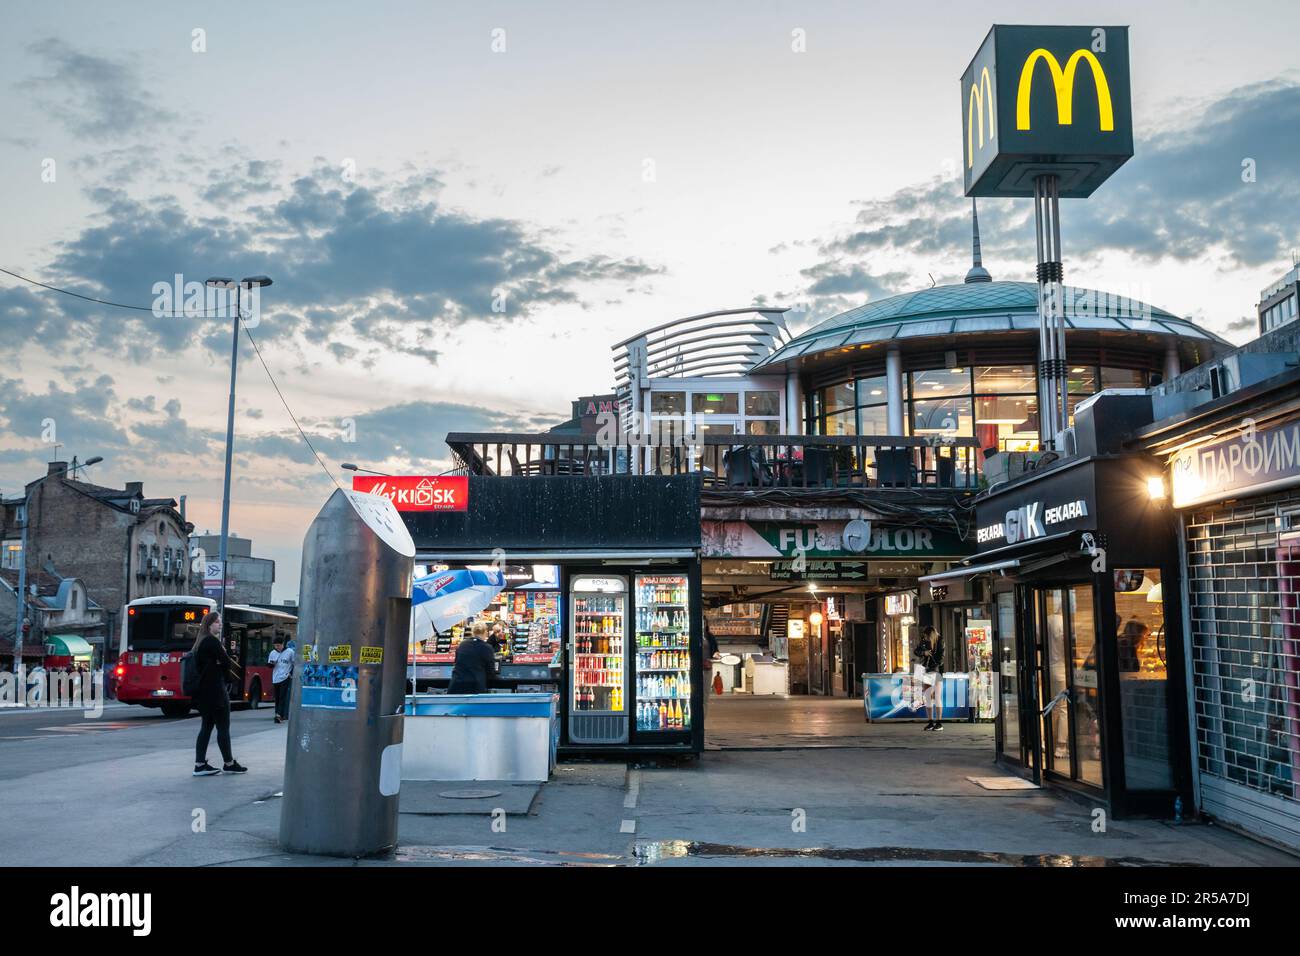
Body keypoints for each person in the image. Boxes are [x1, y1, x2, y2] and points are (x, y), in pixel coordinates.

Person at [192, 611, 247, 776]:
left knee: (206, 727)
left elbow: (219, 662)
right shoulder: (211, 641)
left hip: (204, 692)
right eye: (217, 622)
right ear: (209, 625)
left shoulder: (200, 642)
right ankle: (229, 763)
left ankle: (199, 764)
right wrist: (221, 661)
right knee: (223, 727)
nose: (220, 625)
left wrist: (219, 661)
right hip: (216, 691)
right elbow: (226, 662)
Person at [447, 622, 497, 694]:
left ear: (472, 632)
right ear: (485, 632)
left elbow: (456, 662)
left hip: (456, 685)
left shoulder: (462, 644)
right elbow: (491, 672)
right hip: (474, 688)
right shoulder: (487, 648)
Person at [913, 625, 945, 731]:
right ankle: (931, 722)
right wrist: (924, 653)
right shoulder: (924, 641)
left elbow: (941, 658)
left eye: (927, 636)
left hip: (935, 671)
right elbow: (916, 651)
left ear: (931, 634)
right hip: (926, 671)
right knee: (927, 697)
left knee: (937, 697)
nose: (925, 638)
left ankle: (939, 722)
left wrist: (932, 660)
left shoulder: (940, 641)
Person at [269, 634, 294, 723]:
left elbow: (294, 663)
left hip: (285, 676)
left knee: (282, 696)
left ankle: (279, 714)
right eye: (275, 646)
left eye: (278, 645)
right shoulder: (272, 653)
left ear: (283, 644)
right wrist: (272, 664)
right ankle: (277, 714)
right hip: (275, 678)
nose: (277, 647)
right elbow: (269, 665)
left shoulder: (290, 652)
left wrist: (291, 673)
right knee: (277, 697)